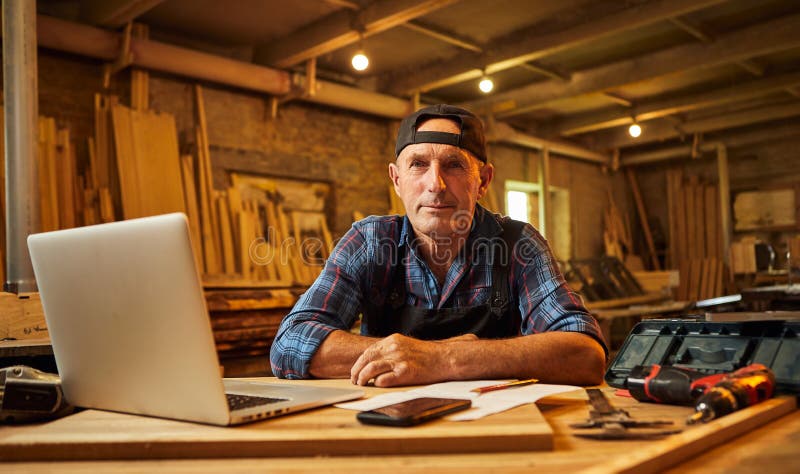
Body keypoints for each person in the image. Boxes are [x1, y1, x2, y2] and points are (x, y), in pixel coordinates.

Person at [270, 104, 607, 387]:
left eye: (454, 165)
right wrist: (410, 358)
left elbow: (585, 354)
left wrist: (443, 359)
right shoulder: (370, 242)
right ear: (397, 180)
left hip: (497, 437)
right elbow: (290, 342)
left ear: (483, 181)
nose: (435, 184)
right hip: (388, 431)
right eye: (418, 165)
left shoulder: (518, 244)